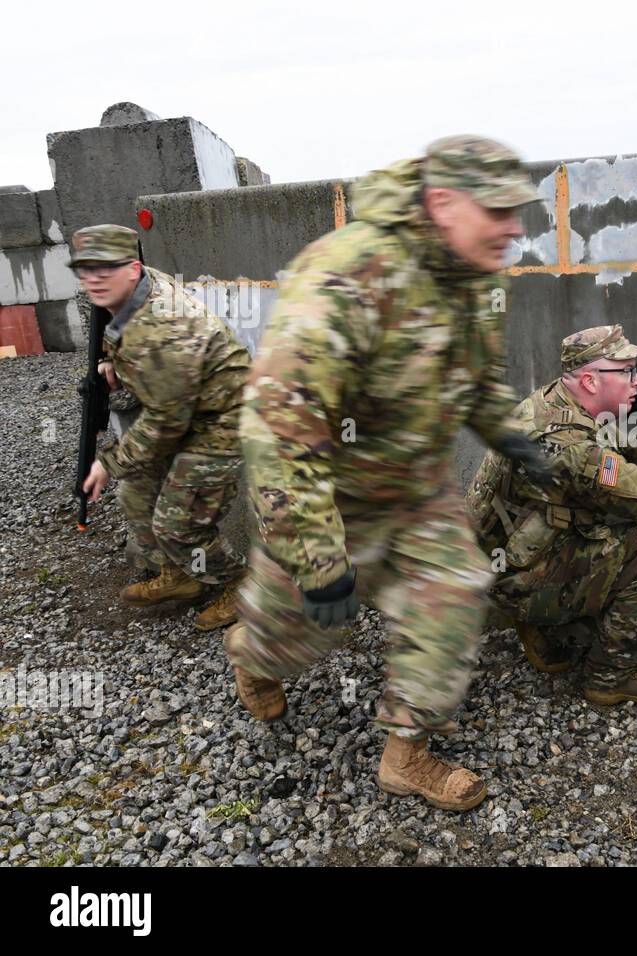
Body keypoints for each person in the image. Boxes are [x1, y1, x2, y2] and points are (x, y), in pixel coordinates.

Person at [223, 136, 551, 812]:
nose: (515, 228)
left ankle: (407, 755)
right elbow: (280, 428)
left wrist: (508, 432)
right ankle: (252, 658)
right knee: (300, 634)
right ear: (442, 203)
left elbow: (474, 378)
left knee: (457, 591)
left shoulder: (476, 276)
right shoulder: (347, 274)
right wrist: (316, 559)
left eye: (518, 211)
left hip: (417, 493)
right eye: (498, 211)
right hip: (329, 500)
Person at [468, 324, 637, 705]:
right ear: (590, 381)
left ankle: (547, 635)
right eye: (628, 371)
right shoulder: (569, 447)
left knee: (595, 524)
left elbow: (600, 456)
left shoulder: (551, 403)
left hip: (507, 560)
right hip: (519, 579)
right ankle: (612, 676)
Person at [74, 224, 249, 631]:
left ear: (132, 269)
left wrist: (109, 462)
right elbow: (110, 323)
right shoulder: (133, 285)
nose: (94, 281)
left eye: (105, 270)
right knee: (136, 496)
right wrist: (107, 358)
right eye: (86, 270)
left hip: (221, 420)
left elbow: (166, 422)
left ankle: (241, 583)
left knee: (178, 525)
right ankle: (183, 577)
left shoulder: (162, 328)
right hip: (183, 405)